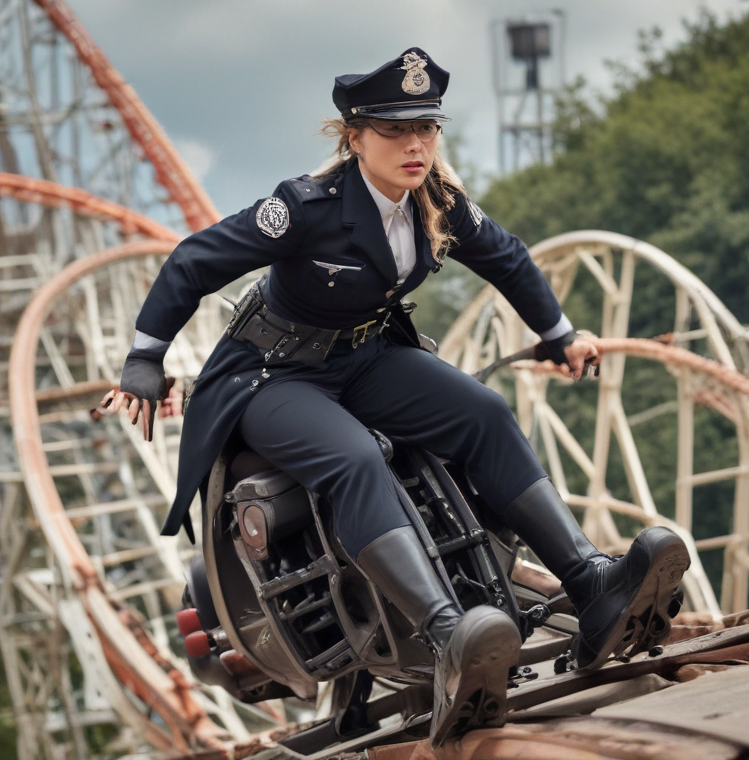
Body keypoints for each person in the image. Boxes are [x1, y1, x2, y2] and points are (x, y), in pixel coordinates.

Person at [105, 48, 690, 745]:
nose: (415, 145)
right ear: (354, 137)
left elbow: (505, 256)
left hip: (366, 358)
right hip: (271, 376)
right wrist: (145, 359)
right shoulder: (302, 208)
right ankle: (449, 638)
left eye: (427, 129)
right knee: (353, 458)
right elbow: (193, 261)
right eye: (393, 131)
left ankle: (592, 583)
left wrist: (560, 335)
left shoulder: (435, 203)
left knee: (483, 412)